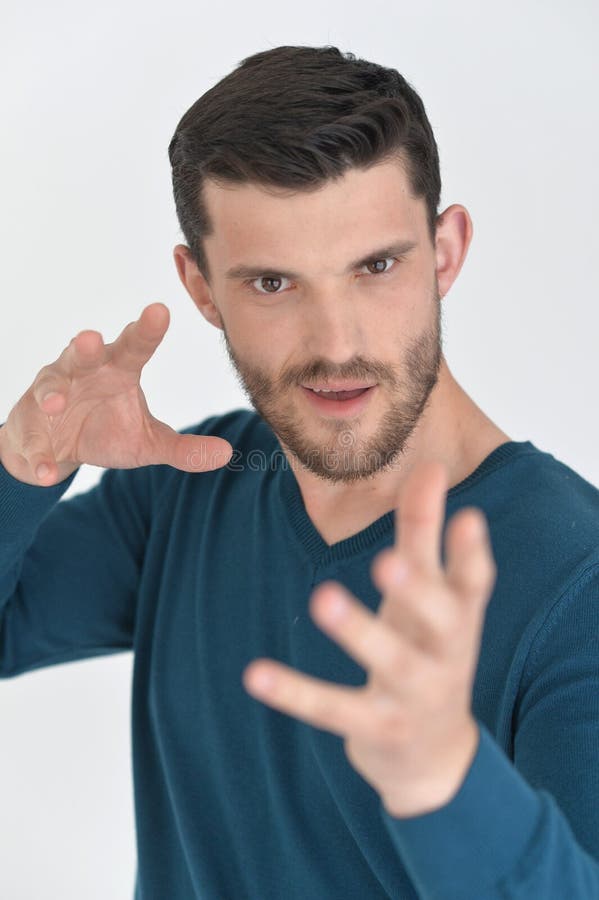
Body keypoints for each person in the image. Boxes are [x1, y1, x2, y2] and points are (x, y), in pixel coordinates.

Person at [1, 43, 598, 900]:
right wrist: (21, 470)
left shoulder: (576, 583)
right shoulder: (192, 486)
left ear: (446, 251)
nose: (335, 343)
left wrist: (445, 786)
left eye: (376, 266)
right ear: (201, 288)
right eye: (273, 282)